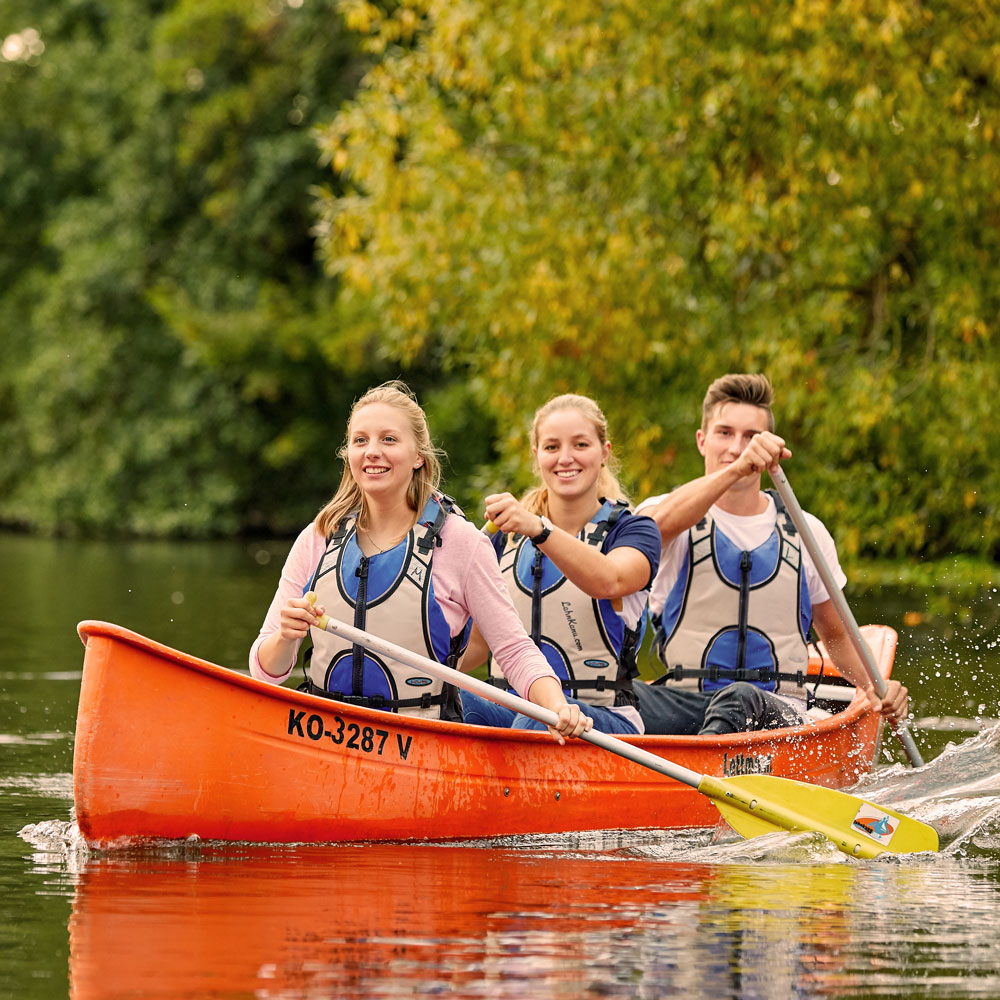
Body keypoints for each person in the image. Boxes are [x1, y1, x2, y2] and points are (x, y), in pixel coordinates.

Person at [250, 381, 592, 745]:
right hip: (324, 736)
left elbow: (514, 650)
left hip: (422, 737)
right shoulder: (318, 537)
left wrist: (557, 707)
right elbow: (264, 673)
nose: (372, 452)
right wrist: (287, 638)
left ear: (418, 456)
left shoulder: (463, 543)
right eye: (360, 440)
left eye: (389, 440)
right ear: (348, 453)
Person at [634, 373, 908, 735]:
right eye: (725, 433)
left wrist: (878, 687)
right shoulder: (666, 511)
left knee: (740, 698)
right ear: (702, 441)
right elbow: (644, 535)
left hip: (776, 714)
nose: (738, 447)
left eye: (751, 437)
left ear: (772, 449)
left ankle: (705, 776)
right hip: (687, 705)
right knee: (615, 696)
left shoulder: (807, 531)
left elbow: (837, 637)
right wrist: (735, 471)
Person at [459, 394, 662, 735]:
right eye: (552, 447)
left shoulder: (634, 530)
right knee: (448, 699)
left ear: (604, 453)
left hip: (603, 719)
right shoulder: (504, 539)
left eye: (580, 445)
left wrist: (539, 528)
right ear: (536, 456)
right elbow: (479, 642)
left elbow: (610, 580)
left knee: (539, 714)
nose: (566, 458)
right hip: (513, 714)